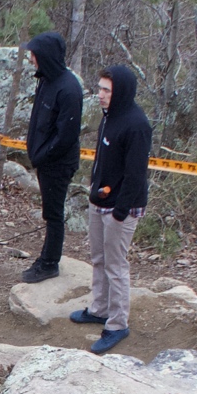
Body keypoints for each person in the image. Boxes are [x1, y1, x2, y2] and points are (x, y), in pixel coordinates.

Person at [68, 63, 151, 354]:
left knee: (116, 265)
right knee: (99, 258)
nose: (100, 95)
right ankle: (100, 308)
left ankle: (117, 324)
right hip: (99, 201)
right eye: (100, 88)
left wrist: (120, 211)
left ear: (121, 92)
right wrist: (95, 191)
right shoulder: (108, 117)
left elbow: (136, 175)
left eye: (107, 90)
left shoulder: (136, 125)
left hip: (121, 207)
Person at [18, 32, 87, 284]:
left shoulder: (69, 89)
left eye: (34, 54)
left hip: (57, 163)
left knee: (54, 214)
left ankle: (50, 263)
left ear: (45, 56)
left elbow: (66, 136)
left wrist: (43, 156)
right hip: (45, 160)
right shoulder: (46, 80)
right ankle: (46, 257)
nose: (31, 59)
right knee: (50, 212)